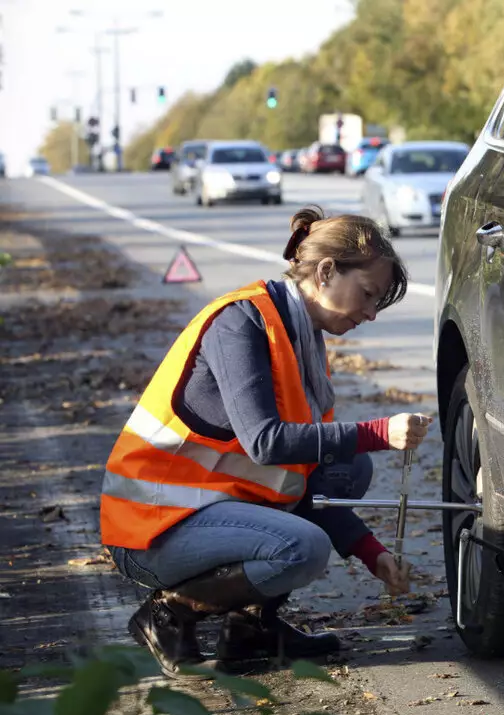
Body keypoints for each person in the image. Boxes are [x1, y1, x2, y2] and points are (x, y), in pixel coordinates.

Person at [100, 206, 434, 679]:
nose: (372, 313)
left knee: (348, 469)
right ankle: (170, 614)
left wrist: (372, 553)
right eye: (368, 294)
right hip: (151, 529)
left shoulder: (302, 337)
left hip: (208, 509)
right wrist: (379, 433)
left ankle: (252, 628)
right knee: (305, 548)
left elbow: (303, 483)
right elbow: (266, 444)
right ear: (325, 271)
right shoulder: (242, 322)